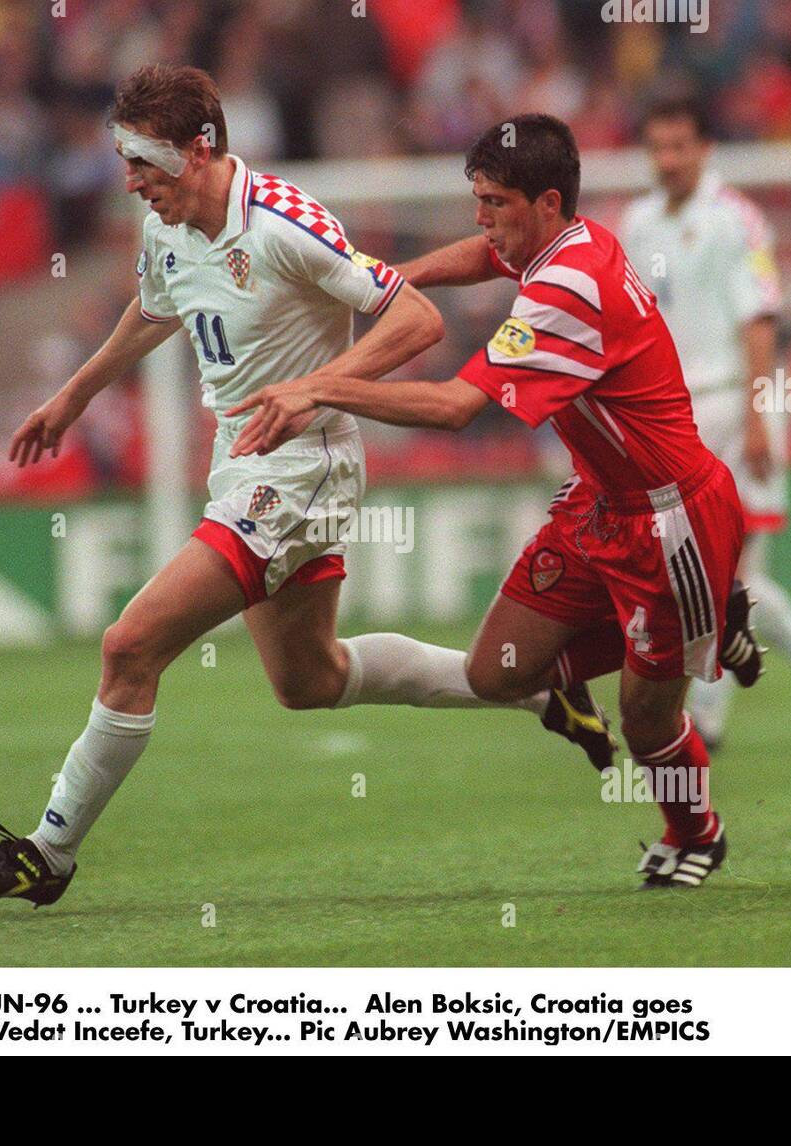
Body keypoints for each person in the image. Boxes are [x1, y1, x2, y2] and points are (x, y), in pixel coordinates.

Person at [0, 68, 614, 907]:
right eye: (124, 161)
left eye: (144, 163)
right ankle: (536, 688)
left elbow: (417, 317)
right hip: (243, 459)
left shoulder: (284, 224)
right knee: (310, 681)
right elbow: (157, 306)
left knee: (130, 645)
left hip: (304, 469)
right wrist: (74, 396)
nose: (131, 181)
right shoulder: (166, 221)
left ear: (200, 151)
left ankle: (48, 853)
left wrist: (316, 388)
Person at [230, 114, 763, 889]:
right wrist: (394, 278)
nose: (482, 218)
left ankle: (698, 833)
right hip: (599, 506)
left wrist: (318, 388)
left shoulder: (568, 289)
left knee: (646, 718)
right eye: (476, 198)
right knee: (498, 672)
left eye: (496, 202)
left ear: (547, 203)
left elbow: (453, 408)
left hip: (669, 519)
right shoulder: (563, 240)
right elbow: (487, 254)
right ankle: (714, 615)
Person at [620, 94, 791, 749]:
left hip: (733, 405)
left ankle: (706, 723)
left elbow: (758, 320)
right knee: (720, 578)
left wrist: (758, 418)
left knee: (715, 576)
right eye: (658, 147)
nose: (668, 160)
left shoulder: (737, 222)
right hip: (672, 416)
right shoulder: (639, 221)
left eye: (680, 146)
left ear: (705, 148)